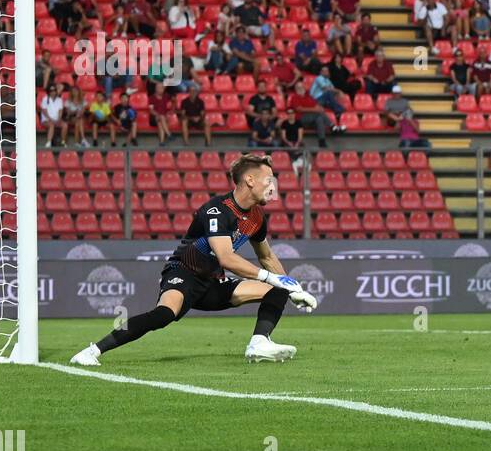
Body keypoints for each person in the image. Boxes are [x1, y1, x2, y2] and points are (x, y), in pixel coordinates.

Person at [70, 154, 317, 366]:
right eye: (268, 180)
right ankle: (92, 351)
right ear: (250, 180)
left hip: (213, 283)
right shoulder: (217, 210)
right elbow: (226, 257)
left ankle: (259, 343)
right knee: (164, 315)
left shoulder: (257, 217)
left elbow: (267, 256)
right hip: (184, 272)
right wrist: (273, 277)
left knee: (278, 289)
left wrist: (293, 287)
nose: (273, 187)